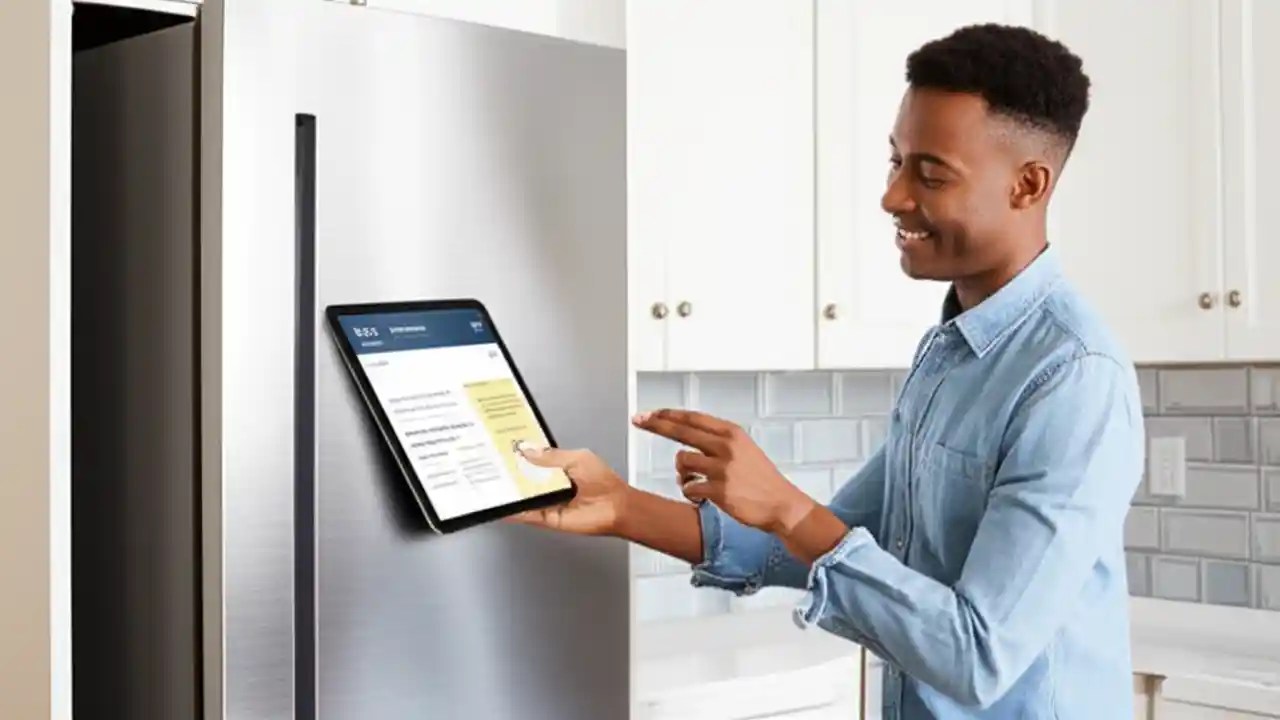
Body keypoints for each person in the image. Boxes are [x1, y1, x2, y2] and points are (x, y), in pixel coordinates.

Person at [510, 23, 1144, 719]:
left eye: (929, 173)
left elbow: (977, 653)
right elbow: (819, 547)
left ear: (1028, 184)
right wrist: (624, 507)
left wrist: (786, 505)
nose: (893, 197)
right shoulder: (952, 352)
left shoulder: (1072, 379)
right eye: (895, 162)